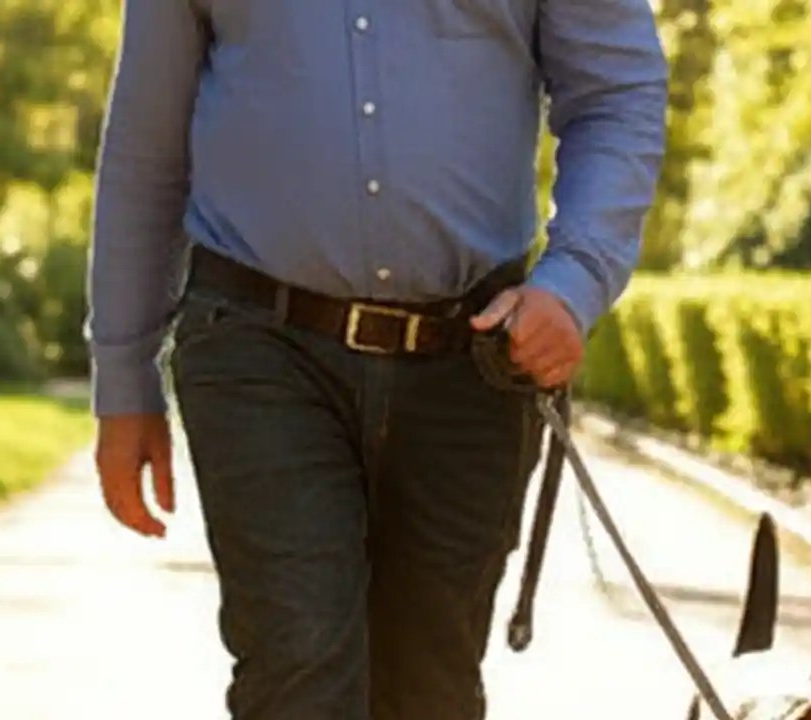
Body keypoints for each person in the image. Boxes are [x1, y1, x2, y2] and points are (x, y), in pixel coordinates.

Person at [86, 0, 668, 717]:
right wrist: (124, 377)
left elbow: (617, 96)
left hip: (470, 355)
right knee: (297, 667)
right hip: (257, 340)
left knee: (430, 688)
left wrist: (572, 281)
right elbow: (147, 148)